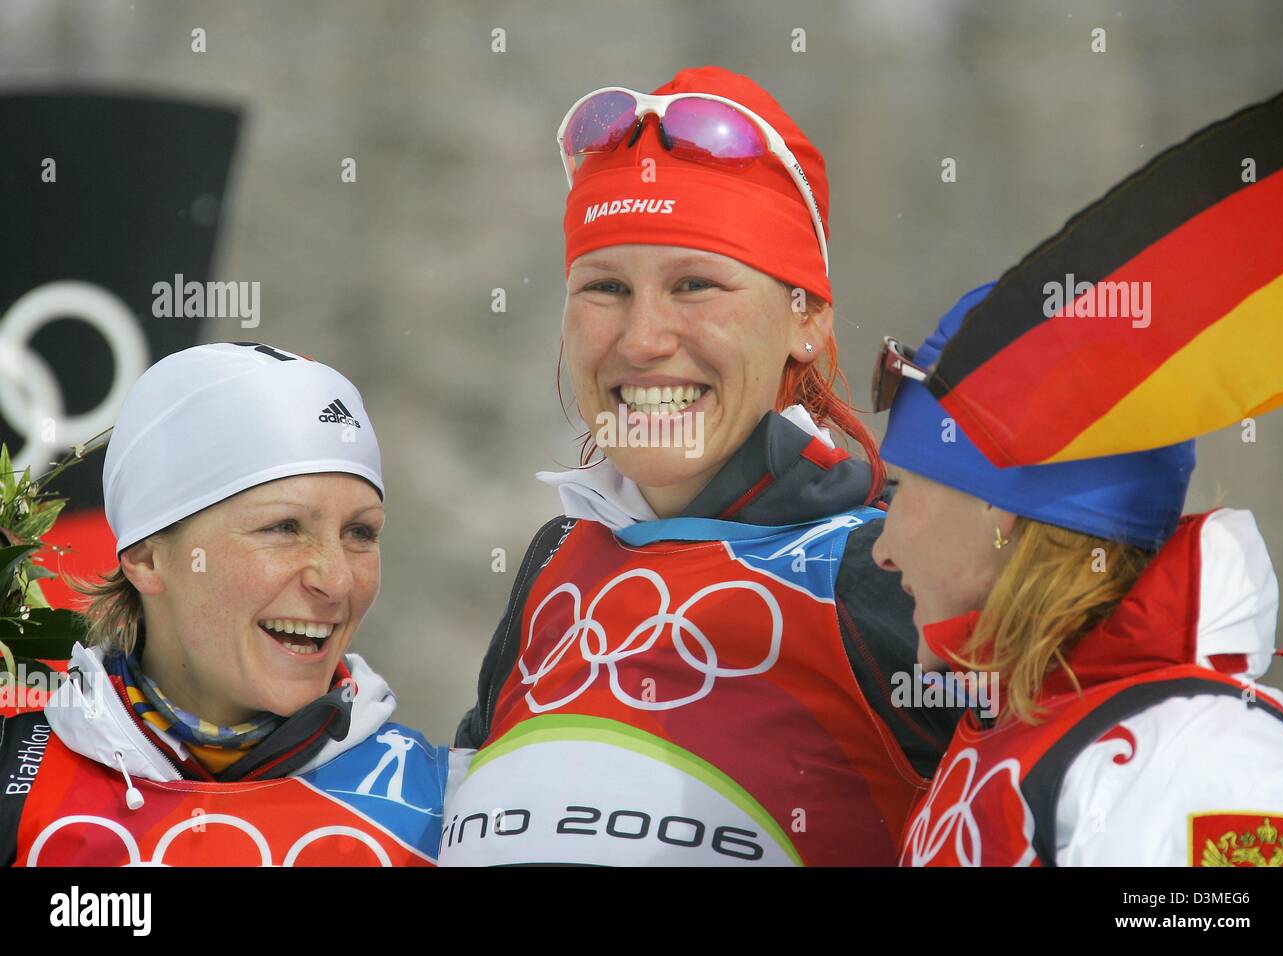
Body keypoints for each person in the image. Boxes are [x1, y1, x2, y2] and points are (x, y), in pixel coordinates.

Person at [442, 66, 962, 866]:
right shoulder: (555, 565)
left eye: (695, 284)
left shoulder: (880, 566)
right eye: (605, 287)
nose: (643, 338)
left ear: (807, 319)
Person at [870, 285, 1283, 866]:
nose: (883, 551)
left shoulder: (1201, 758)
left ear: (997, 507)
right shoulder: (1018, 717)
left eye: (903, 487)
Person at [0, 341, 447, 867]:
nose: (337, 579)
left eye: (360, 532)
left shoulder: (446, 805)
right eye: (283, 528)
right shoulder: (17, 776)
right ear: (146, 557)